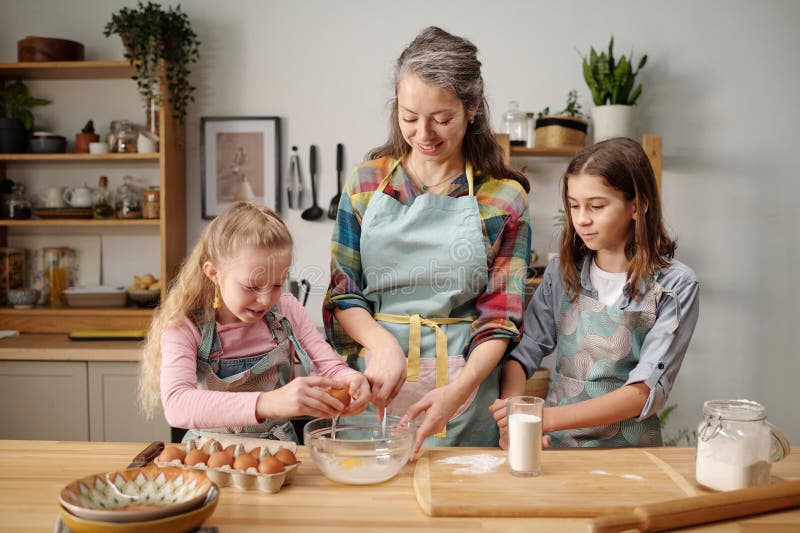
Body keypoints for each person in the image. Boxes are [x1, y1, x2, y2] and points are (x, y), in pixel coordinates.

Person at [324, 26, 531, 458]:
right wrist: (382, 348)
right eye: (409, 117)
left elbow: (500, 317)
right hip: (373, 382)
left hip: (465, 391)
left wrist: (459, 390)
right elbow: (345, 292)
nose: (424, 134)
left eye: (441, 119)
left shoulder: (503, 198)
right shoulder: (366, 184)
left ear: (472, 108)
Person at [490, 137, 699, 448]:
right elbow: (524, 351)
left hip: (631, 454)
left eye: (596, 206)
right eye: (574, 205)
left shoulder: (675, 286)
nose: (582, 219)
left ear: (638, 205)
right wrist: (513, 414)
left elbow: (643, 391)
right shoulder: (562, 272)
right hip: (558, 445)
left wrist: (543, 419)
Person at [139, 202, 369, 442]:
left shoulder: (287, 310)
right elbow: (178, 405)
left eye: (278, 284)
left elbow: (328, 366)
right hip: (207, 454)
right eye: (252, 286)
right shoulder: (186, 325)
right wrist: (267, 403)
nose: (265, 299)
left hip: (281, 451)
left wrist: (350, 379)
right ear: (214, 273)